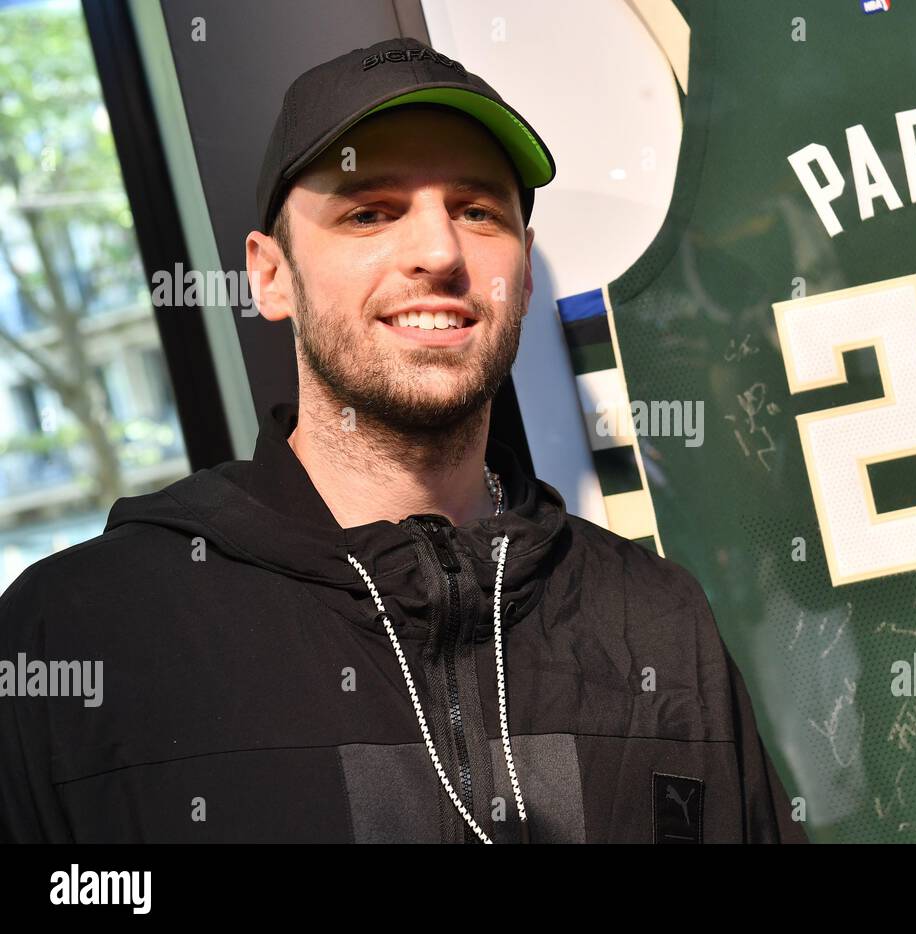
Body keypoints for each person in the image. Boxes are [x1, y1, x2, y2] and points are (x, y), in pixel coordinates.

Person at [0, 37, 807, 844]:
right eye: (370, 212)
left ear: (525, 273)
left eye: (476, 210)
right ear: (271, 276)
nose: (438, 252)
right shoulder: (86, 633)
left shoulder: (659, 621)